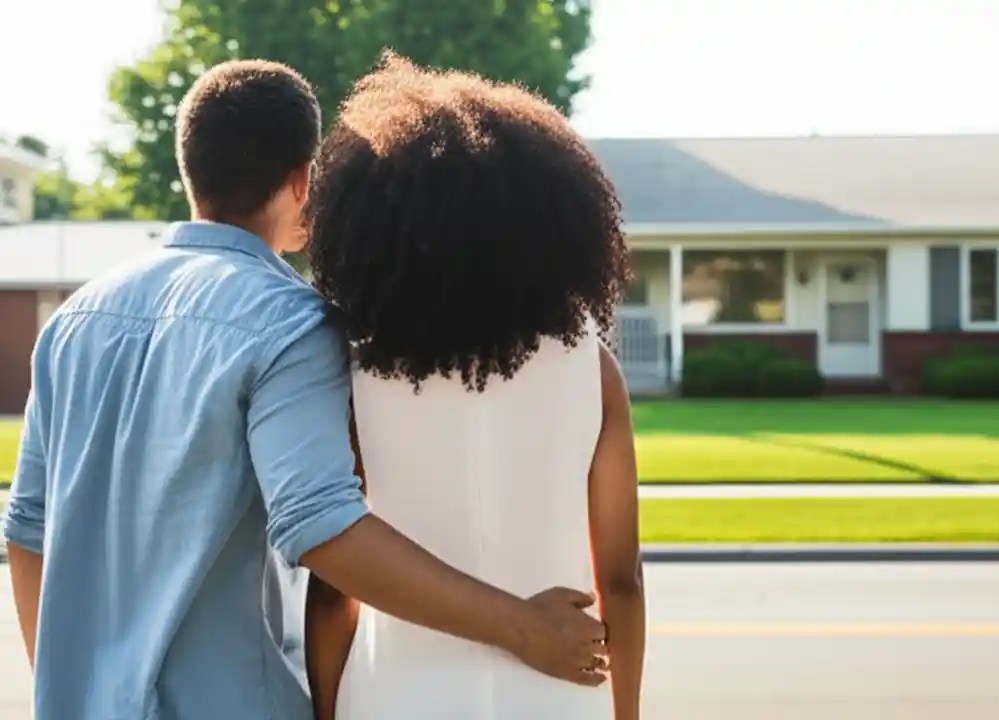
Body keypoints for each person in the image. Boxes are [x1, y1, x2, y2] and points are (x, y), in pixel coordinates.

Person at [3, 59, 607, 720]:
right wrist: (522, 625)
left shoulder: (72, 323)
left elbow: (28, 533)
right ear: (302, 179)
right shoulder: (290, 321)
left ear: (189, 171)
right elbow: (319, 525)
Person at [303, 55, 646, 720]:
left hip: (393, 697)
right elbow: (621, 582)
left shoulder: (357, 371)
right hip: (554, 697)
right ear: (552, 220)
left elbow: (333, 588)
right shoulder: (591, 365)